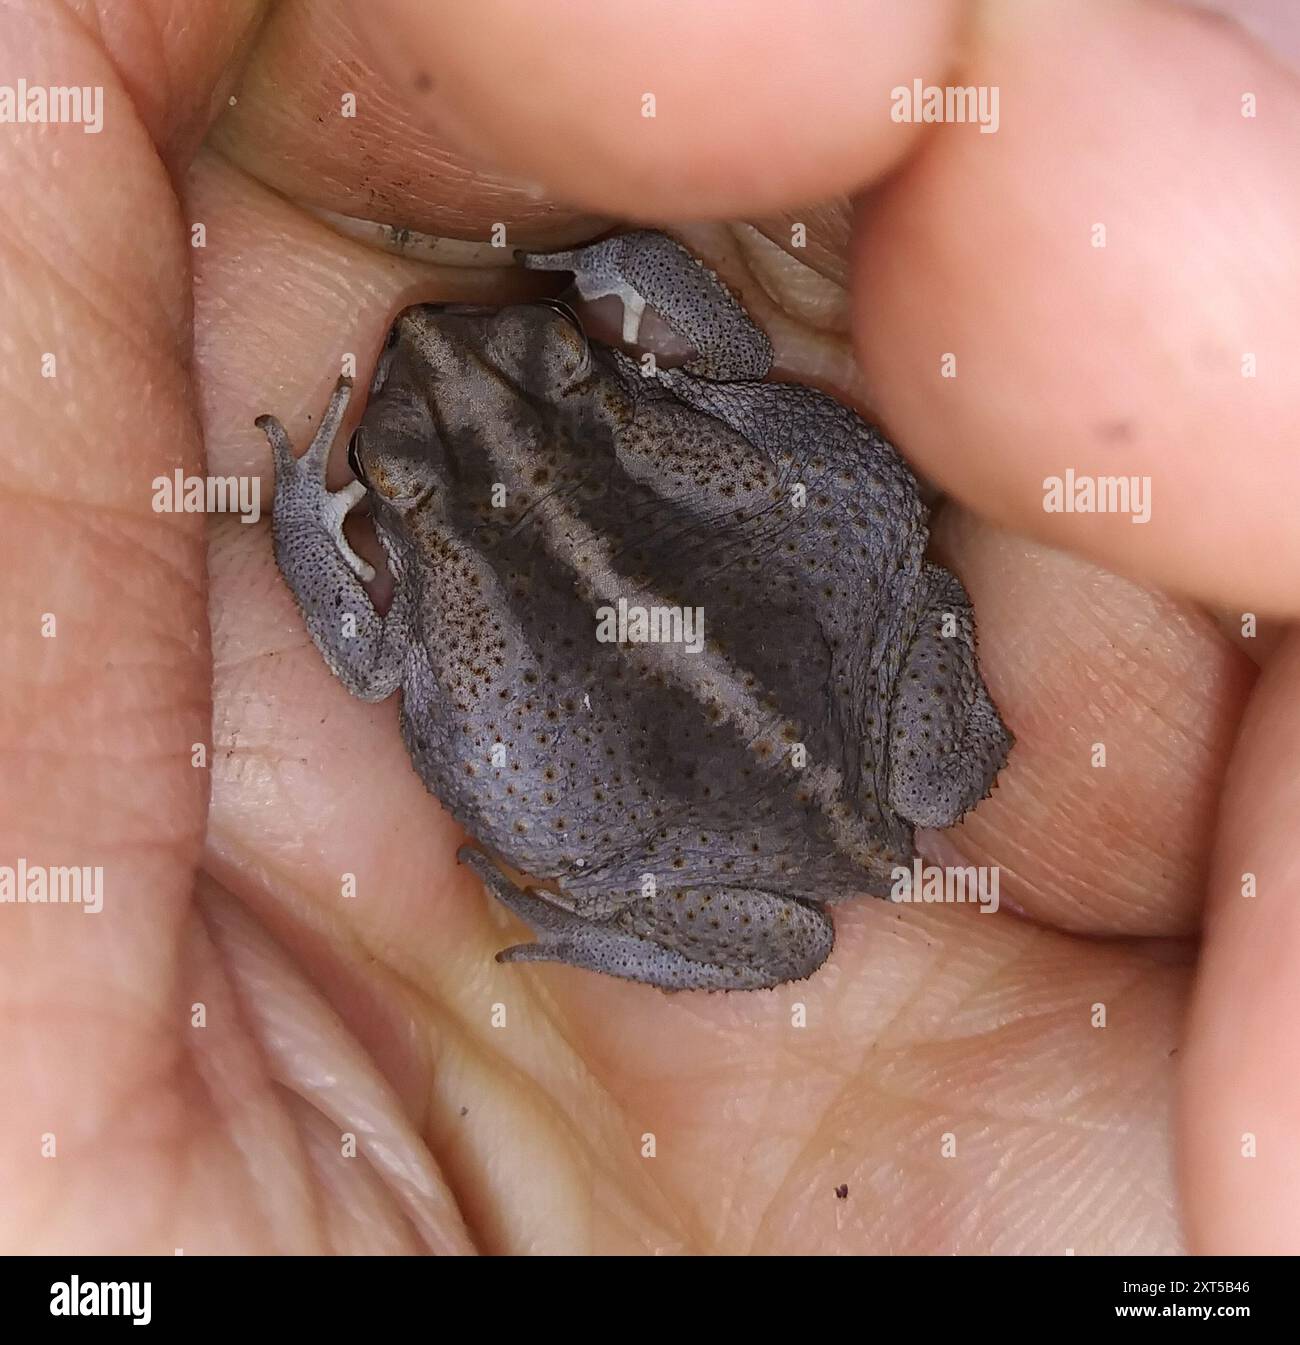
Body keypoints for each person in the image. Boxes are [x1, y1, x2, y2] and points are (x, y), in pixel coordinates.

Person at [2, 0, 1296, 1253]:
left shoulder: (441, 575)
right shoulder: (581, 451)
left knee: (781, 887)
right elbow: (721, 357)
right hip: (812, 741)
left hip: (761, 771)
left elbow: (367, 649)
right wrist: (611, 269)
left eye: (544, 361)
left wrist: (305, 503)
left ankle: (620, 902)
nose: (446, 352)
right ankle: (669, 860)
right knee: (871, 784)